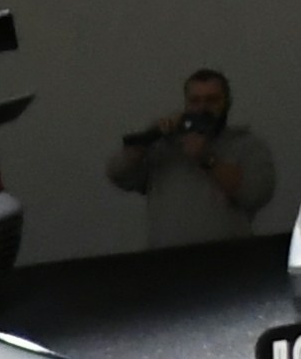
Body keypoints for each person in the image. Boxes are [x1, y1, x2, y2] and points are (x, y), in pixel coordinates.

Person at [103, 68, 278, 251]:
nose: (203, 108)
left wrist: (206, 158)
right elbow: (118, 175)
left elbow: (256, 194)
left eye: (212, 100)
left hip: (229, 263)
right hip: (168, 265)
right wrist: (150, 136)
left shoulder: (246, 145)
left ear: (227, 103)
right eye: (195, 101)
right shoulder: (165, 146)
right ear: (186, 104)